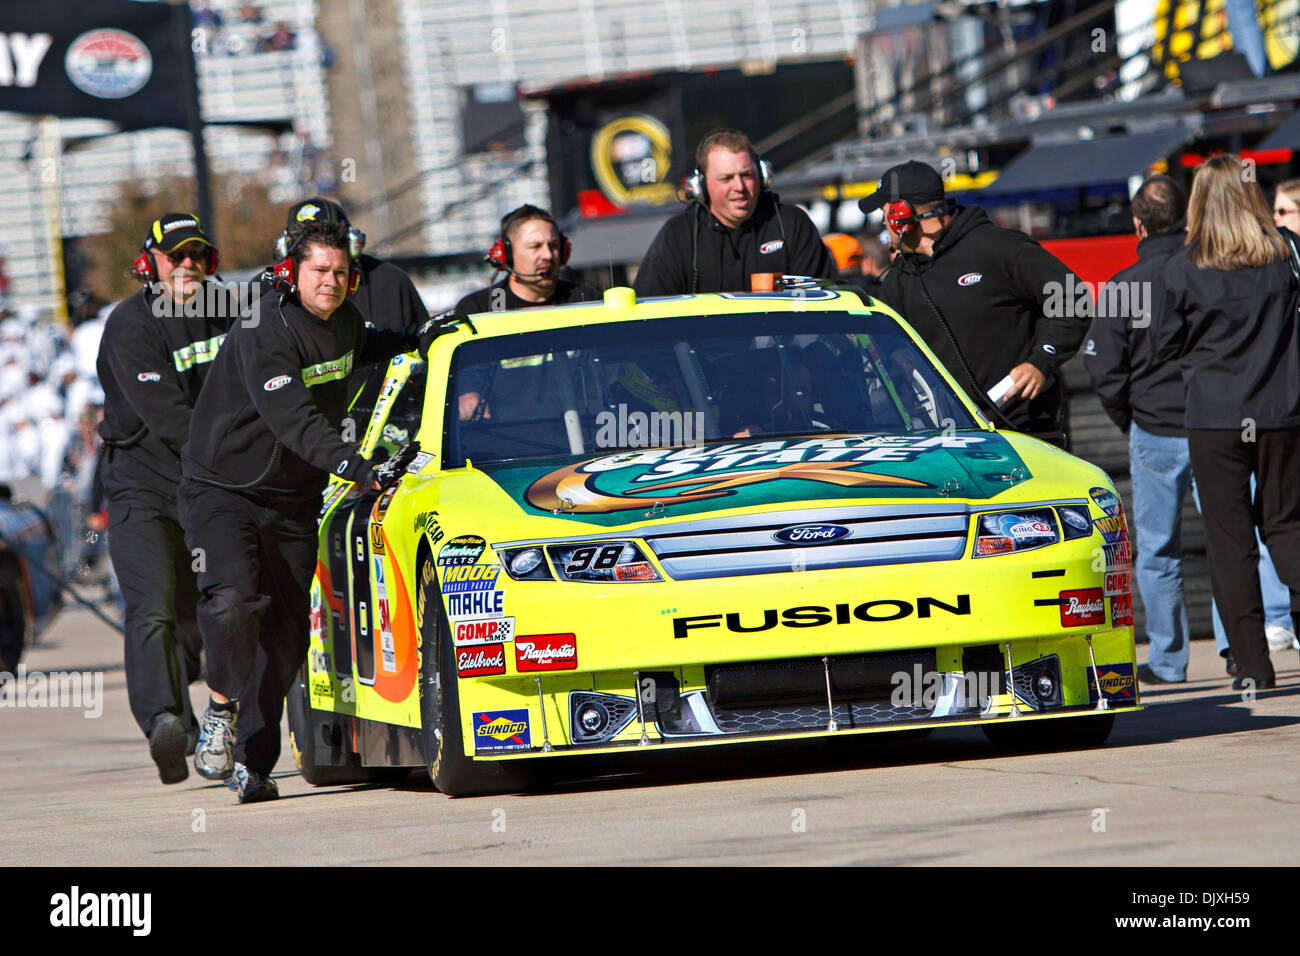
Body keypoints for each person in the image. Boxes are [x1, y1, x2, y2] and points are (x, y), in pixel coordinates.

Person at [180, 221, 443, 802]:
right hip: (222, 489)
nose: (331, 281)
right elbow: (295, 421)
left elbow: (362, 345)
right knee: (233, 600)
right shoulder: (263, 327)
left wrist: (416, 337)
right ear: (291, 273)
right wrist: (360, 468)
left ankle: (253, 764)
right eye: (319, 271)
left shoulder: (344, 319)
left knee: (287, 634)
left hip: (292, 500)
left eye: (341, 272)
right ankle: (220, 709)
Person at [1086, 175, 1294, 684]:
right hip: (1262, 417)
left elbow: (1114, 363)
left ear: (1138, 223)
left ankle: (1183, 662)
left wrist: (1129, 417)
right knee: (1274, 530)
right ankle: (1238, 650)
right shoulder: (1275, 257)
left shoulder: (1158, 277)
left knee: (1186, 548)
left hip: (1184, 424)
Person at [95, 213, 237, 783]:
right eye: (175, 255)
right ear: (149, 264)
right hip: (141, 485)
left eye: (197, 254)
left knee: (198, 609)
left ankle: (200, 720)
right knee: (152, 605)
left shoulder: (229, 309)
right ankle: (165, 720)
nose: (187, 264)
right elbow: (171, 418)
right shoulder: (130, 324)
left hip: (206, 482)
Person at [1156, 153, 1300, 691]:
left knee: (1229, 542)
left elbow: (1162, 346)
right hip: (1282, 412)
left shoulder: (1182, 269)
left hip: (1215, 418)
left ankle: (1255, 668)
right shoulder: (1286, 253)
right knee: (1288, 527)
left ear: (1199, 203)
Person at [862, 160, 1088, 447]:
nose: (883, 223)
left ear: (901, 215)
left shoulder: (998, 247)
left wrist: (1041, 361)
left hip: (1027, 433)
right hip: (952, 442)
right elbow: (894, 361)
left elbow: (1072, 295)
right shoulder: (898, 282)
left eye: (884, 213)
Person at [632, 128, 833, 295]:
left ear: (763, 176)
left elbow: (824, 301)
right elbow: (648, 311)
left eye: (747, 175)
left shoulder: (792, 224)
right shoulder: (678, 236)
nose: (739, 186)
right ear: (701, 187)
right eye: (726, 179)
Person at [260, 197, 428, 333]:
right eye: (303, 244)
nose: (330, 281)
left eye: (331, 239)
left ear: (353, 245)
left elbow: (419, 343)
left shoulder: (391, 281)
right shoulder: (259, 291)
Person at [456, 205, 598, 313]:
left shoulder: (587, 300)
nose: (548, 255)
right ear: (507, 255)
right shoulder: (477, 309)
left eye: (554, 245)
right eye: (535, 246)